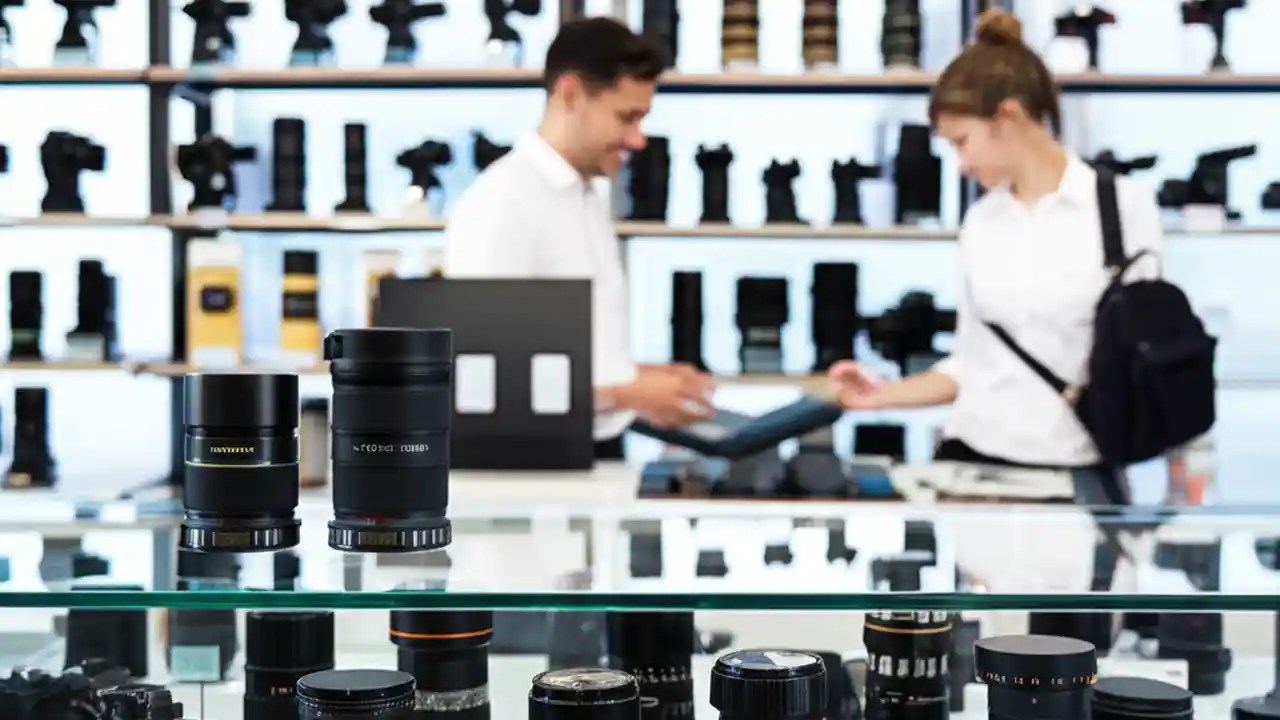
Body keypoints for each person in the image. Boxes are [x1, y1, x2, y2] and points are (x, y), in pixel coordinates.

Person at [828, 9, 1163, 504]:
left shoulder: (1123, 210)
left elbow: (1151, 358)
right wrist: (880, 396)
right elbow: (974, 364)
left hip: (1085, 487)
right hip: (979, 482)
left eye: (963, 142)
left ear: (1007, 117)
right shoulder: (982, 223)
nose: (961, 165)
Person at [444, 17, 715, 446]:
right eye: (626, 117)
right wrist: (631, 393)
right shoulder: (502, 203)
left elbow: (558, 358)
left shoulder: (586, 195)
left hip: (584, 459)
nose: (638, 140)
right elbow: (487, 380)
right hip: (529, 470)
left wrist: (642, 378)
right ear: (571, 94)